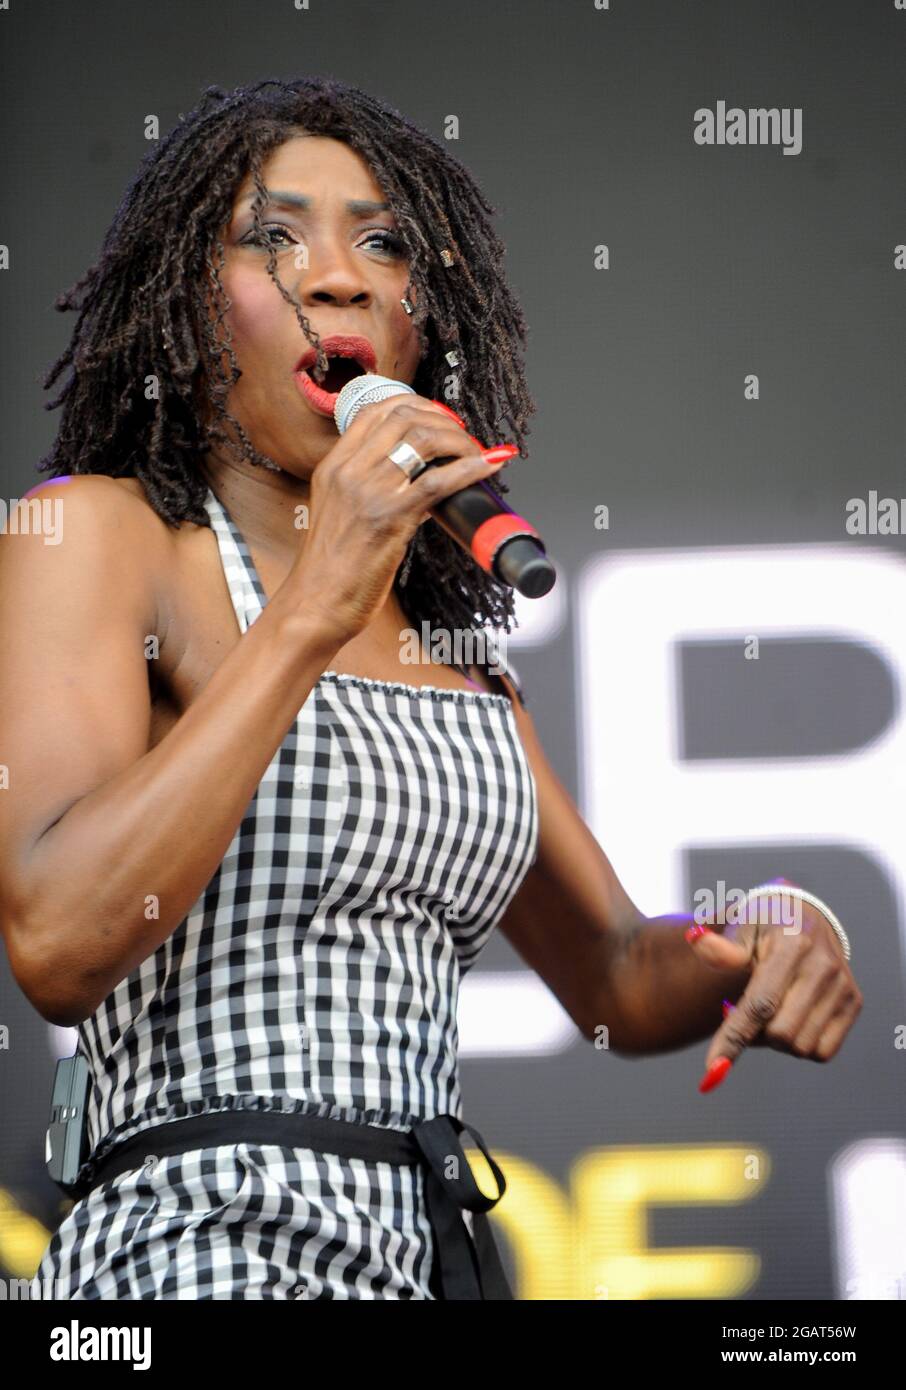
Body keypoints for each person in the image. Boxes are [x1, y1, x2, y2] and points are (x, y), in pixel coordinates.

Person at [0, 77, 861, 1300]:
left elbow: (617, 975)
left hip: (422, 1255)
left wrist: (771, 928)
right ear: (184, 302)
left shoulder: (447, 646)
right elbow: (56, 938)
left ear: (420, 329)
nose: (340, 277)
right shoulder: (99, 535)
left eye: (385, 243)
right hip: (196, 1246)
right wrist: (312, 607)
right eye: (273, 236)